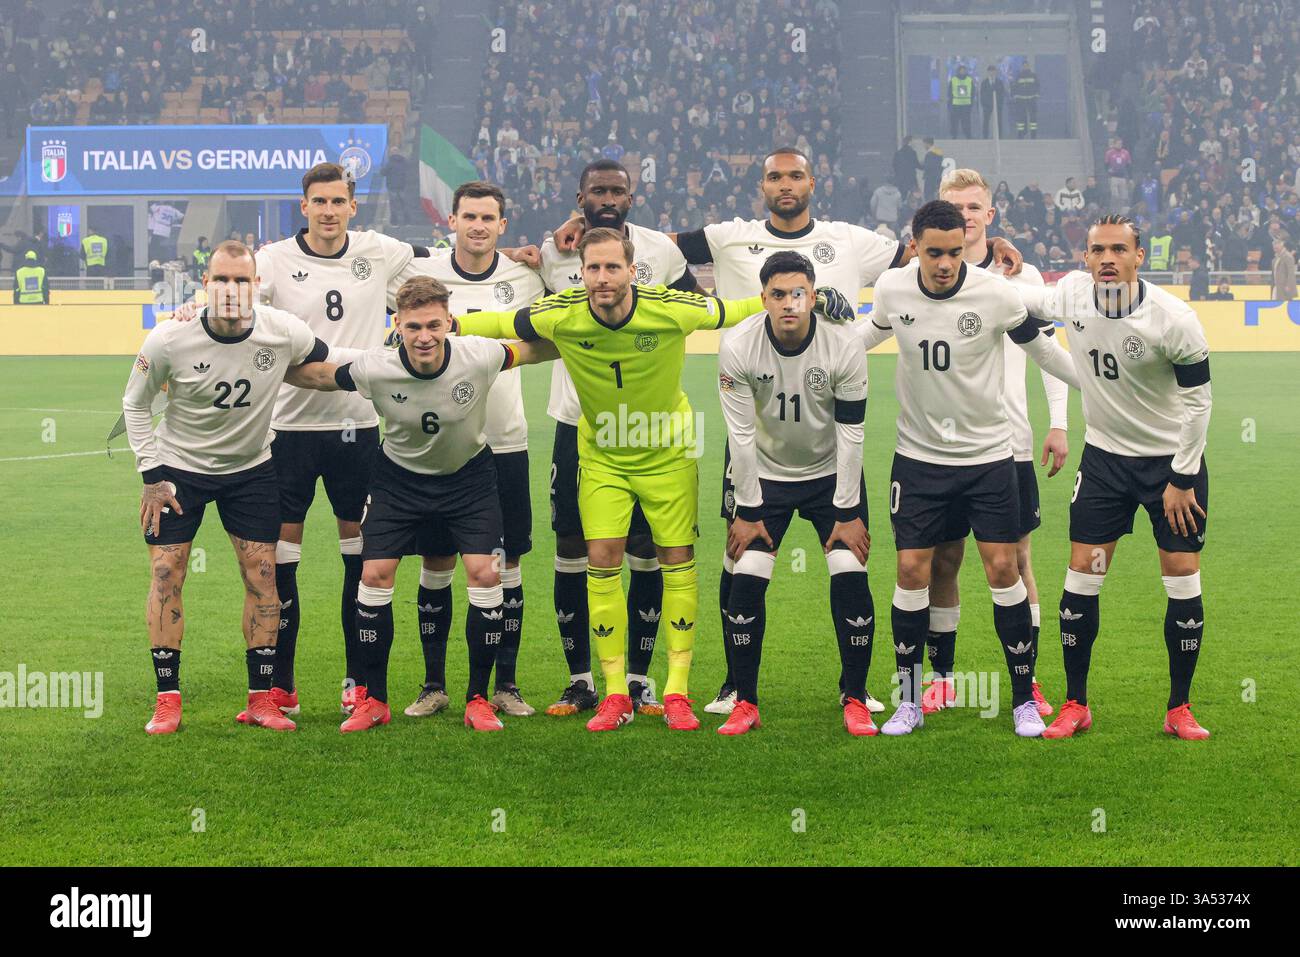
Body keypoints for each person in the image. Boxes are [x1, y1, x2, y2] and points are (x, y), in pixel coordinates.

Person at [552, 146, 1023, 716]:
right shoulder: (731, 237)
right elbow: (655, 244)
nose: (785, 184)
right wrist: (593, 224)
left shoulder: (851, 240)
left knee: (849, 564)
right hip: (758, 446)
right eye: (775, 176)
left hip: (829, 446)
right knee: (738, 559)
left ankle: (857, 688)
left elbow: (925, 250)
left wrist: (985, 246)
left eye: (795, 174)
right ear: (763, 185)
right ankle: (734, 683)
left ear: (812, 181)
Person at [454, 227, 855, 732]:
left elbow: (731, 311)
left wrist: (807, 302)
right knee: (601, 560)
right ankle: (615, 694)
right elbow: (499, 321)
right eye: (593, 269)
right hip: (602, 459)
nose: (602, 278)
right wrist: (449, 322)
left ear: (631, 270)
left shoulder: (670, 308)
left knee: (676, 561)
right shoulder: (563, 312)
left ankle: (676, 692)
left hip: (668, 456)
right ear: (582, 273)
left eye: (612, 267)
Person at [283, 276, 559, 733]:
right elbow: (317, 375)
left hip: (469, 479)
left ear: (449, 322)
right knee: (373, 575)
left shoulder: (480, 354)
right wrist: (260, 362)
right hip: (398, 482)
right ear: (398, 325)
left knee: (486, 572)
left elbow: (537, 350)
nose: (425, 336)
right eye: (414, 327)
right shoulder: (376, 367)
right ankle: (374, 700)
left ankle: (477, 698)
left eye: (434, 324)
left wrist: (587, 332)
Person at [857, 200, 1079, 737]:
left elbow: (1043, 350)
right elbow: (865, 337)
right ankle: (910, 700)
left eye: (955, 253)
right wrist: (813, 348)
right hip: (919, 460)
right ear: (914, 247)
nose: (945, 263)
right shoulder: (892, 289)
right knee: (913, 572)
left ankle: (1024, 699)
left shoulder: (996, 294)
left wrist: (1096, 388)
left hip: (988, 460)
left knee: (1004, 569)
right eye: (934, 253)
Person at [121, 240, 333, 735]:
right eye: (222, 279)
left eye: (242, 279)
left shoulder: (283, 331)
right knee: (165, 573)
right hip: (178, 470)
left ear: (256, 285)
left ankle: (262, 700)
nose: (232, 289)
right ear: (206, 284)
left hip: (252, 469)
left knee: (264, 576)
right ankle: (168, 701)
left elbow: (323, 362)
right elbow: (134, 403)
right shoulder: (170, 338)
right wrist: (151, 476)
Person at [1019, 216, 1213, 741]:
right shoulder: (1073, 295)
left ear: (1139, 257)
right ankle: (1076, 703)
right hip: (1104, 464)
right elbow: (1022, 302)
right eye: (1096, 249)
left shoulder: (1173, 319)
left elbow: (1199, 404)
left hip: (1171, 467)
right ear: (1084, 257)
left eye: (1118, 250)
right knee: (1083, 574)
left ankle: (1179, 708)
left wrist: (1181, 476)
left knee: (1180, 577)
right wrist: (1009, 272)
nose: (1106, 258)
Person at [387, 181, 547, 718]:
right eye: (469, 216)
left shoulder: (526, 275)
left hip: (505, 442)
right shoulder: (423, 275)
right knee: (436, 562)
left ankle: (506, 685)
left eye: (489, 217)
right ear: (450, 220)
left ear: (503, 225)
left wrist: (549, 249)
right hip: (441, 452)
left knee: (507, 564)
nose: (478, 225)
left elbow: (559, 316)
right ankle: (433, 685)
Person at [535, 159, 688, 718]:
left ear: (632, 195)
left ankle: (642, 679)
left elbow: (690, 309)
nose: (607, 197)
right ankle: (581, 680)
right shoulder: (556, 251)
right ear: (580, 196)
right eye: (596, 190)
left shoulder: (661, 253)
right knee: (575, 548)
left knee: (645, 549)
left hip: (648, 428)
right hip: (578, 422)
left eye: (616, 190)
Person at [920, 169, 1070, 718]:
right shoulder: (920, 270)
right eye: (953, 206)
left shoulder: (1020, 276)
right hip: (938, 445)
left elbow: (1047, 352)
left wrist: (1060, 423)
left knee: (1016, 559)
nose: (965, 214)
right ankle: (940, 678)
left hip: (1009, 443)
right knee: (943, 559)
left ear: (990, 214)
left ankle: (1027, 682)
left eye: (975, 206)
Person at [716, 251, 876, 736]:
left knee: (850, 573)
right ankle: (744, 699)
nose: (789, 303)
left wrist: (847, 513)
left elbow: (853, 434)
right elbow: (740, 435)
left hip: (831, 474)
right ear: (763, 298)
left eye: (799, 293)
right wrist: (748, 509)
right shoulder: (738, 345)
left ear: (813, 295)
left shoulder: (844, 345)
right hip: (763, 474)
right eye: (778, 294)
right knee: (745, 576)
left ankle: (855, 695)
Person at [1012, 61, 1040, 139]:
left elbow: (1038, 86)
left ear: (1029, 66)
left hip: (1031, 100)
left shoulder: (1033, 76)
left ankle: (1033, 135)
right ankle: (1021, 134)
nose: (1025, 67)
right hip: (1021, 100)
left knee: (1033, 119)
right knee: (1021, 119)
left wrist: (1036, 96)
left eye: (1026, 66)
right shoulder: (1019, 76)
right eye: (1024, 66)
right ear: (1022, 67)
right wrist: (1015, 96)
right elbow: (1014, 87)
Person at [948, 64, 974, 139]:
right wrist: (950, 103)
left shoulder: (969, 80)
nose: (962, 72)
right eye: (961, 70)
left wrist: (971, 102)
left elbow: (973, 92)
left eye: (964, 70)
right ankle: (954, 135)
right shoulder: (953, 80)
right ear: (958, 71)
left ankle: (968, 135)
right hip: (956, 104)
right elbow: (950, 92)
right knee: (954, 122)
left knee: (966, 122)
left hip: (966, 105)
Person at [979, 65, 1006, 139]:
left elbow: (1002, 93)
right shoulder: (984, 82)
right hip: (987, 106)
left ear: (996, 72)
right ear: (988, 72)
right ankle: (985, 136)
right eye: (990, 71)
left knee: (998, 121)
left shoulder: (999, 82)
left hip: (997, 105)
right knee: (986, 121)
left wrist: (1000, 104)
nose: (992, 73)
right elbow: (982, 94)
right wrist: (984, 104)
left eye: (993, 71)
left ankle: (999, 136)